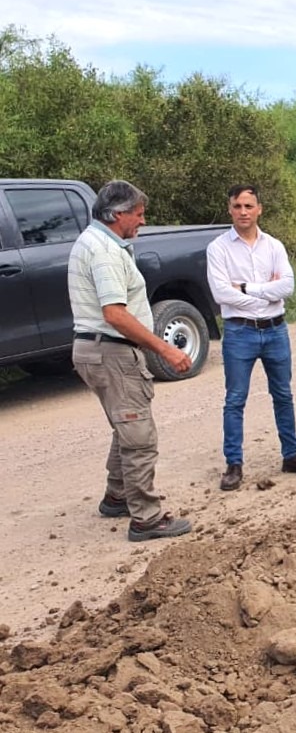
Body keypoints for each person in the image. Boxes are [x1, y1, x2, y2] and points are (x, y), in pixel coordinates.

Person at [69, 180, 193, 542]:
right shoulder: (105, 252)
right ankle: (146, 518)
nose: (142, 220)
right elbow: (115, 314)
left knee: (125, 425)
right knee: (139, 435)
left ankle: (117, 495)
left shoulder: (92, 242)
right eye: (138, 214)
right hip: (112, 351)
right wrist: (165, 349)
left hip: (92, 350)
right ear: (117, 214)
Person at [206, 184, 296, 491]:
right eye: (237, 206)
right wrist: (265, 294)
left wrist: (245, 289)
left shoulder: (274, 246)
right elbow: (220, 294)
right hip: (239, 331)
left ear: (259, 209)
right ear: (229, 209)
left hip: (275, 330)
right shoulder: (218, 248)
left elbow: (287, 287)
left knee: (283, 394)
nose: (243, 212)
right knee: (235, 399)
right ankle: (234, 464)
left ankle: (291, 455)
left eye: (248, 206)